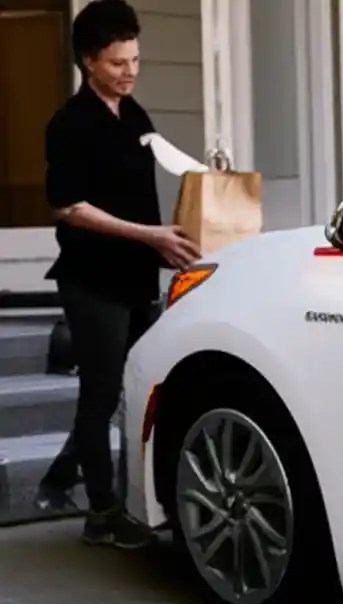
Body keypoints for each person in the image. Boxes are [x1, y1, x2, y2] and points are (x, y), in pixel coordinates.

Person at [33, 0, 202, 548]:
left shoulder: (134, 117)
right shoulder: (69, 124)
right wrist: (151, 237)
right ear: (89, 61)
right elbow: (69, 207)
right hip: (92, 281)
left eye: (135, 60)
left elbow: (143, 195)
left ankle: (65, 474)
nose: (130, 71)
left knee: (139, 386)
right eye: (117, 63)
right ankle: (102, 514)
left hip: (137, 278)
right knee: (101, 395)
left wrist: (172, 239)